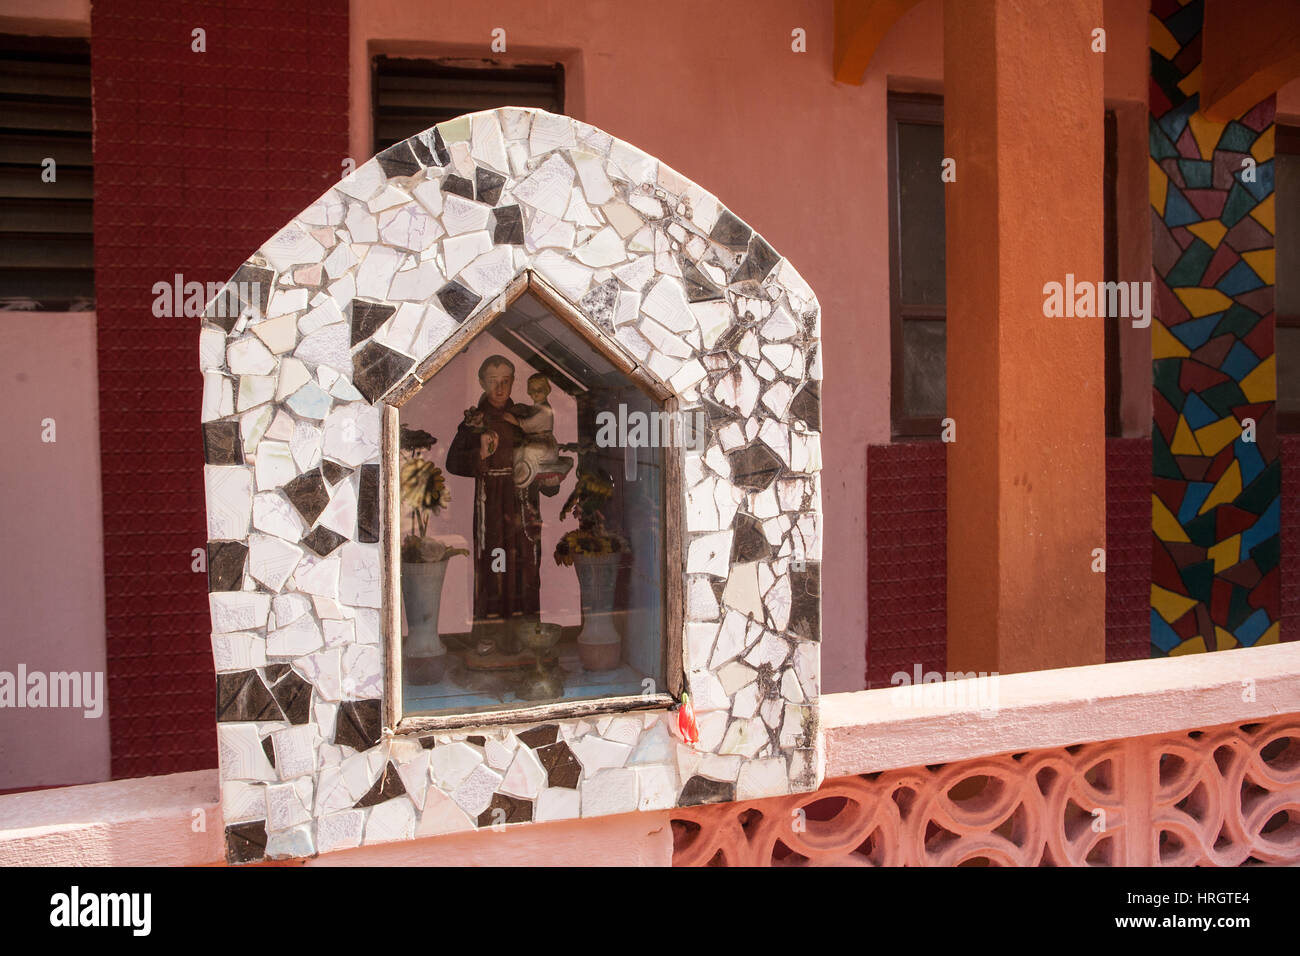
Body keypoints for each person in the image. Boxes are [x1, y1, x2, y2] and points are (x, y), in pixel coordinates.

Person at [444, 355, 542, 655]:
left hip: (524, 503)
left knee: (526, 566)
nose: (499, 387)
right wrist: (481, 455)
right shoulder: (474, 420)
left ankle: (525, 635)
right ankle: (491, 635)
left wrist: (549, 477)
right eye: (493, 381)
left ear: (513, 381)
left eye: (506, 380)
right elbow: (453, 463)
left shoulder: (525, 417)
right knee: (493, 565)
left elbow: (545, 453)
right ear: (482, 383)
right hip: (491, 504)